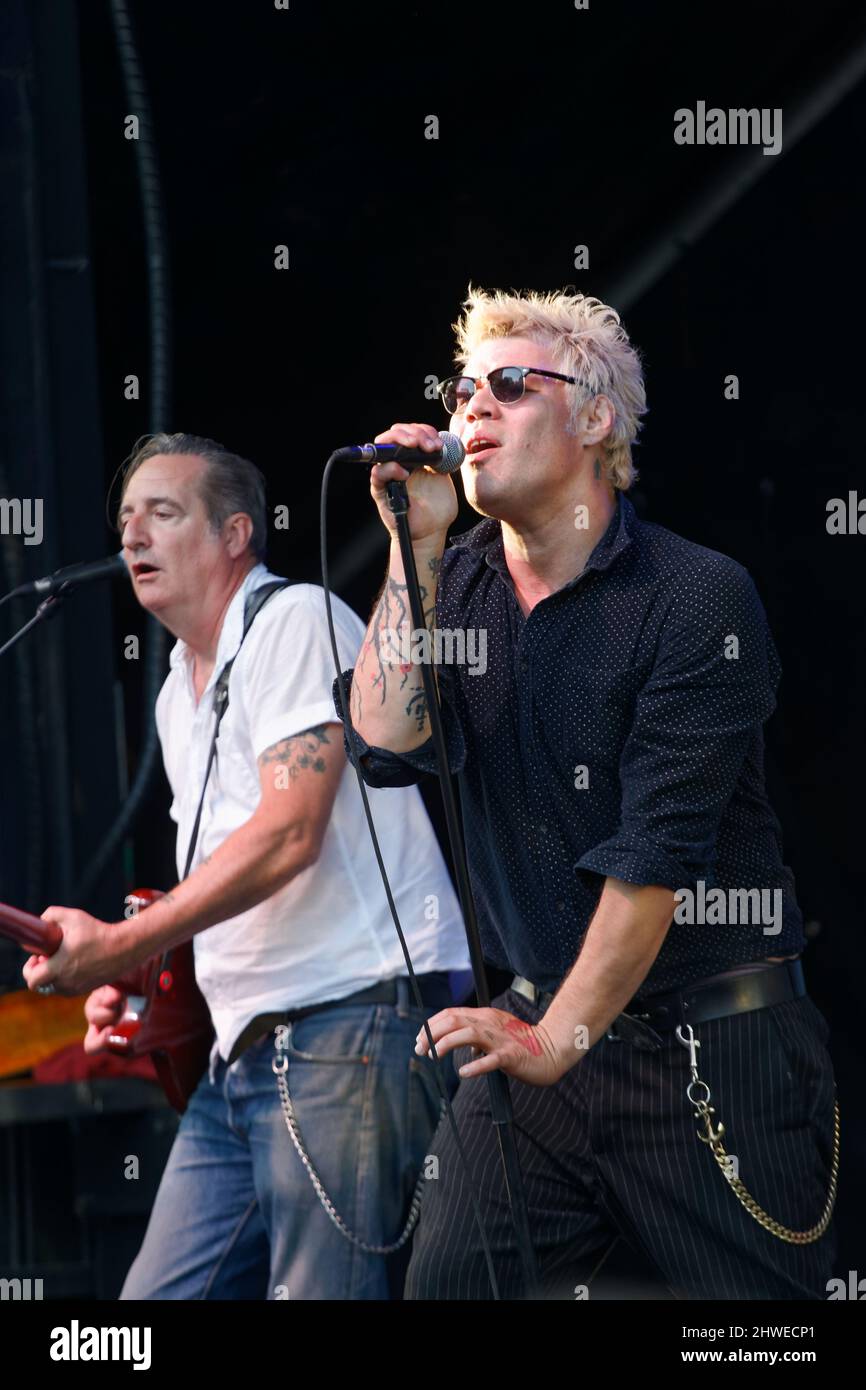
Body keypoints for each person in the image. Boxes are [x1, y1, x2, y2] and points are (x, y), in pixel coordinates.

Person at [337, 286, 839, 1301]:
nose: (471, 408)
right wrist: (412, 544)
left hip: (709, 1048)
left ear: (595, 417)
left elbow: (653, 860)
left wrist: (555, 1038)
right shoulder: (459, 584)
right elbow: (384, 737)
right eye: (462, 389)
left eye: (510, 386)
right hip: (533, 1037)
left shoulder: (693, 596)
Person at [23, 432, 469, 1300]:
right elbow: (219, 879)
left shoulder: (294, 618)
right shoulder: (170, 694)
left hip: (349, 1026)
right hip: (245, 1054)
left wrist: (118, 944)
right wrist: (149, 978)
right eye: (125, 521)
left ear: (236, 534)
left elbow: (289, 831)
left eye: (162, 513)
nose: (133, 538)